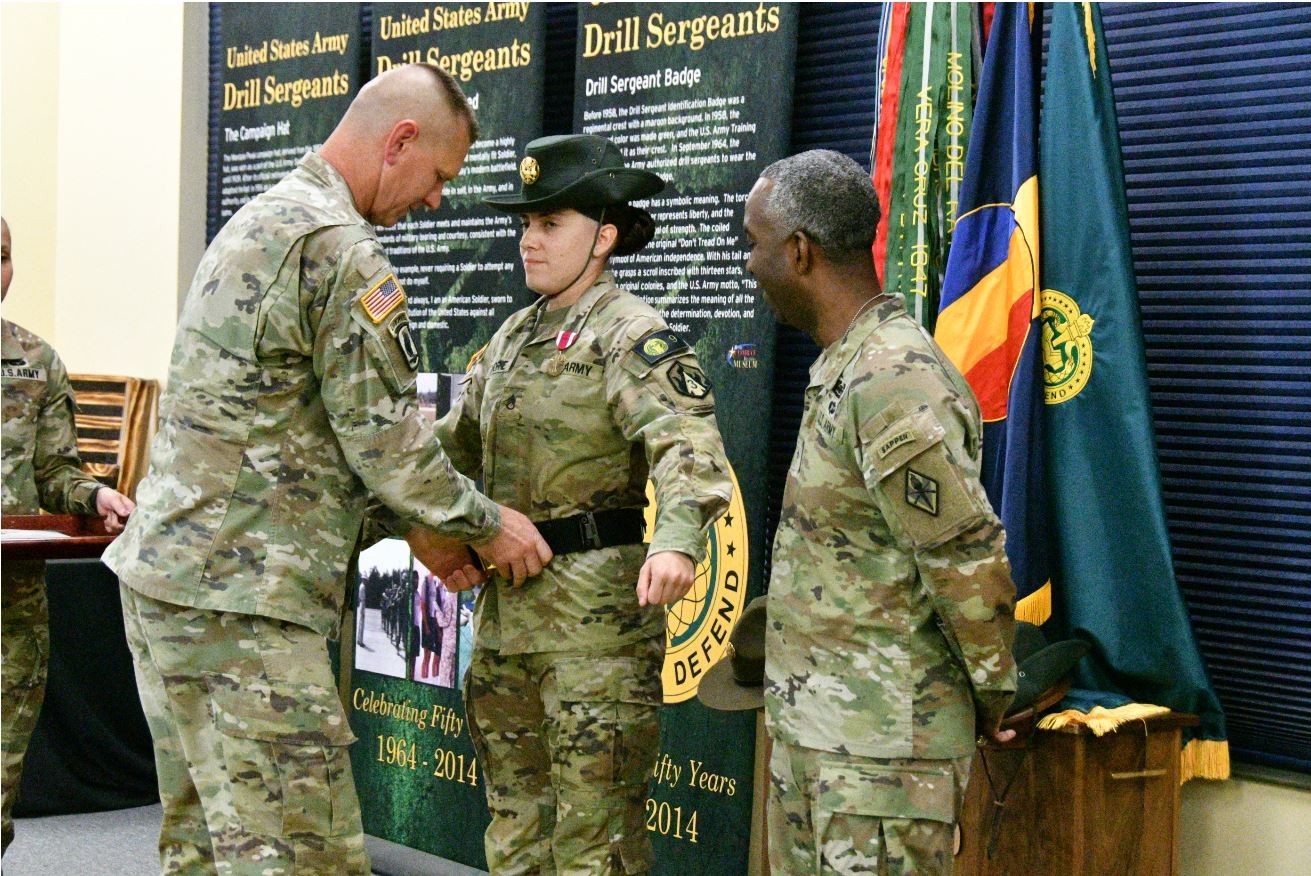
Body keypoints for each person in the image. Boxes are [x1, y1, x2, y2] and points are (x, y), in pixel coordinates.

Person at [102, 65, 552, 874]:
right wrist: (489, 525)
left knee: (208, 849)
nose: (435, 201)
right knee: (303, 855)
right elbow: (389, 448)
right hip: (246, 606)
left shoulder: (267, 215)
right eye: (439, 177)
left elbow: (294, 442)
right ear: (400, 142)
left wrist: (416, 528)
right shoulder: (340, 249)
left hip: (173, 588)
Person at [431, 133, 732, 873]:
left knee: (595, 846)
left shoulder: (632, 334)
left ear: (601, 237)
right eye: (525, 225)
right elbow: (444, 454)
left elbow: (686, 444)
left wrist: (678, 539)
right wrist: (396, 518)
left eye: (550, 224)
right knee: (514, 831)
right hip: (508, 622)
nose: (529, 242)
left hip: (594, 633)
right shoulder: (510, 339)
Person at [744, 151, 1017, 875]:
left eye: (754, 244)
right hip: (822, 742)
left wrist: (994, 692)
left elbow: (962, 556)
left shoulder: (894, 377)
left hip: (882, 760)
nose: (748, 264)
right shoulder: (844, 365)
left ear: (798, 251)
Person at [0, 216, 136, 853]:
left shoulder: (36, 361)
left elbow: (55, 471)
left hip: (12, 602)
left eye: (2, 256)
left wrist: (96, 495)